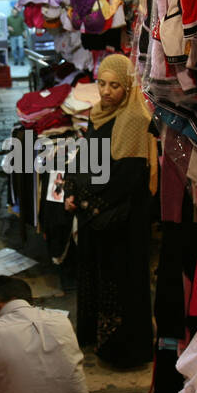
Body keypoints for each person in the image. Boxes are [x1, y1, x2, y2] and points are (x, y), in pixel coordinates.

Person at [63, 53, 156, 369]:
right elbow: (87, 157)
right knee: (97, 278)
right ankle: (96, 340)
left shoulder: (135, 120)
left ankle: (122, 350)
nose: (106, 92)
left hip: (122, 220)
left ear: (128, 87)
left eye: (115, 86)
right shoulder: (99, 113)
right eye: (102, 83)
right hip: (97, 214)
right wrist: (73, 189)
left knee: (120, 283)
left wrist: (87, 201)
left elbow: (127, 180)